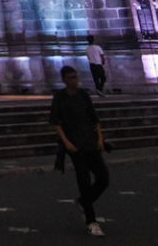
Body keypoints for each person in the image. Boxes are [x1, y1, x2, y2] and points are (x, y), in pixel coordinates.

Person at [49, 66, 111, 236]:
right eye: (71, 77)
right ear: (64, 79)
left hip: (90, 141)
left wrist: (100, 138)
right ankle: (91, 221)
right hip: (74, 145)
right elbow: (56, 122)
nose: (75, 80)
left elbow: (94, 118)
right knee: (83, 180)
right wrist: (66, 143)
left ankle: (83, 202)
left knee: (103, 178)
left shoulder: (83, 95)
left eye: (76, 77)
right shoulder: (60, 97)